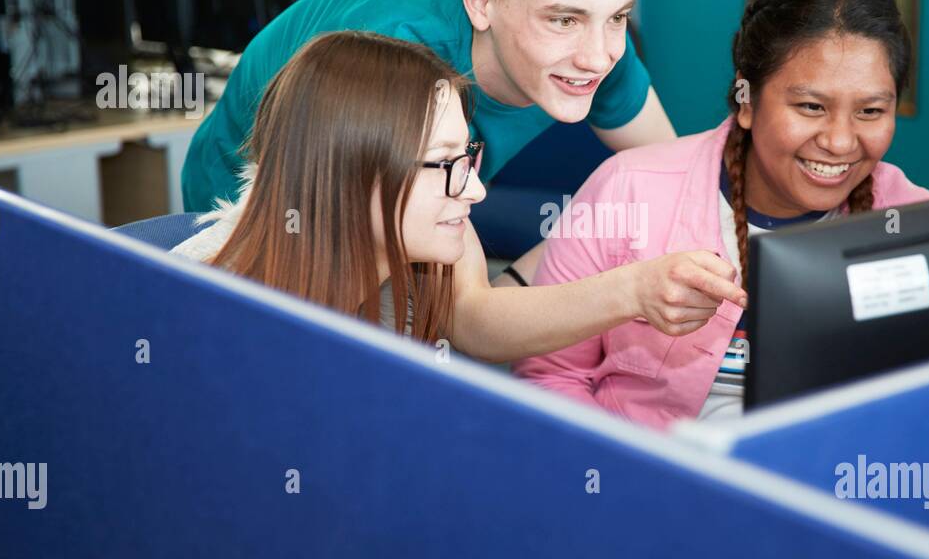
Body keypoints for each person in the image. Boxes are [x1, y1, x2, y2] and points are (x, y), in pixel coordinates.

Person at [181, 0, 677, 288]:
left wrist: (526, 277)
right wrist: (625, 288)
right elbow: (477, 322)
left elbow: (673, 180)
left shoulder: (595, 38)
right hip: (265, 198)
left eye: (617, 16)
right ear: (481, 4)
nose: (599, 57)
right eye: (563, 20)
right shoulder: (405, 63)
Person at [513, 0, 929, 426]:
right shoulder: (627, 190)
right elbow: (549, 375)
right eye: (811, 107)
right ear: (747, 102)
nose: (839, 142)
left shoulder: (916, 223)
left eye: (870, 111)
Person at [173, 30, 746, 362]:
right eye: (447, 164)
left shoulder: (409, 277)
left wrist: (638, 289)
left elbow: (481, 318)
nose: (474, 188)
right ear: (353, 171)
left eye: (467, 157)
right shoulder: (208, 320)